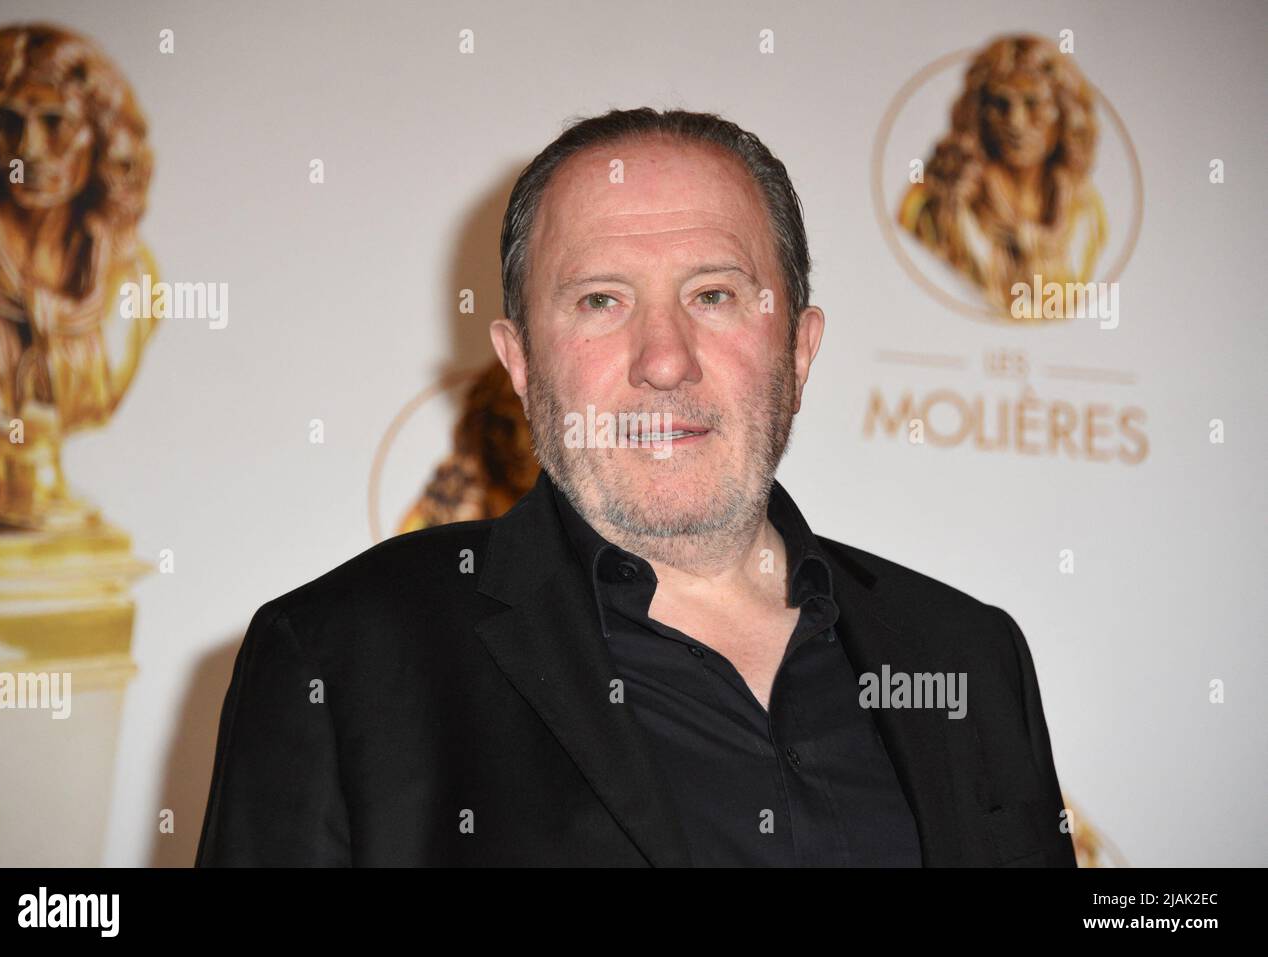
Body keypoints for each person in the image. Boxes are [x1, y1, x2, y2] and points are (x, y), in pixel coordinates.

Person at [196, 107, 1076, 866]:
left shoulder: (967, 655)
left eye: (715, 295)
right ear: (519, 363)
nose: (664, 361)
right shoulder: (337, 659)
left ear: (799, 353)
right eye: (600, 301)